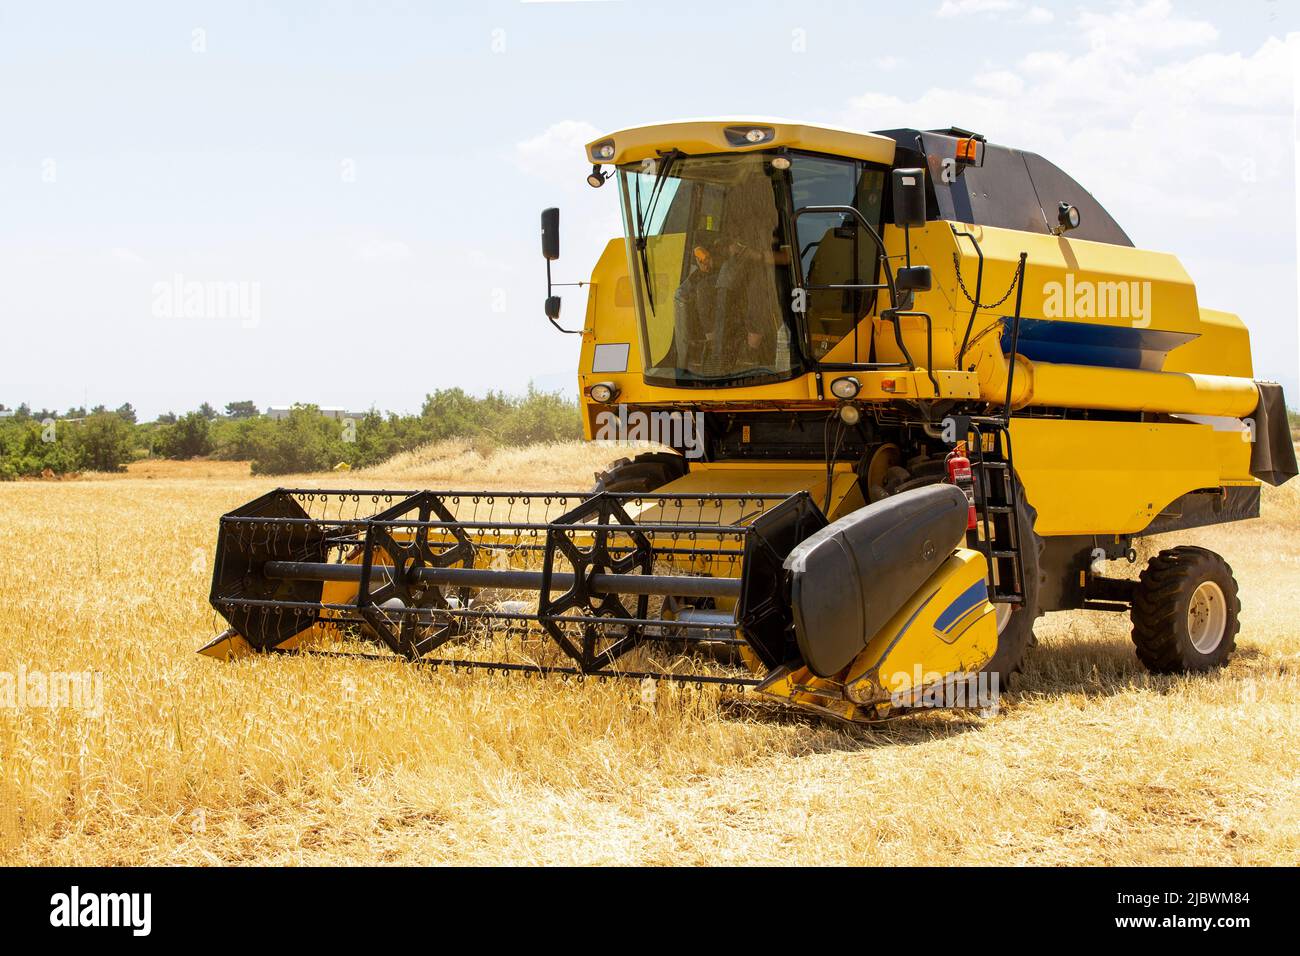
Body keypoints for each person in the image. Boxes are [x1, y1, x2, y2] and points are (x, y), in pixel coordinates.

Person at [672, 239, 721, 373]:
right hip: (711, 269)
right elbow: (698, 246)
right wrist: (701, 254)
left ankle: (711, 343)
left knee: (702, 290)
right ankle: (684, 360)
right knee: (681, 295)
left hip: (727, 269)